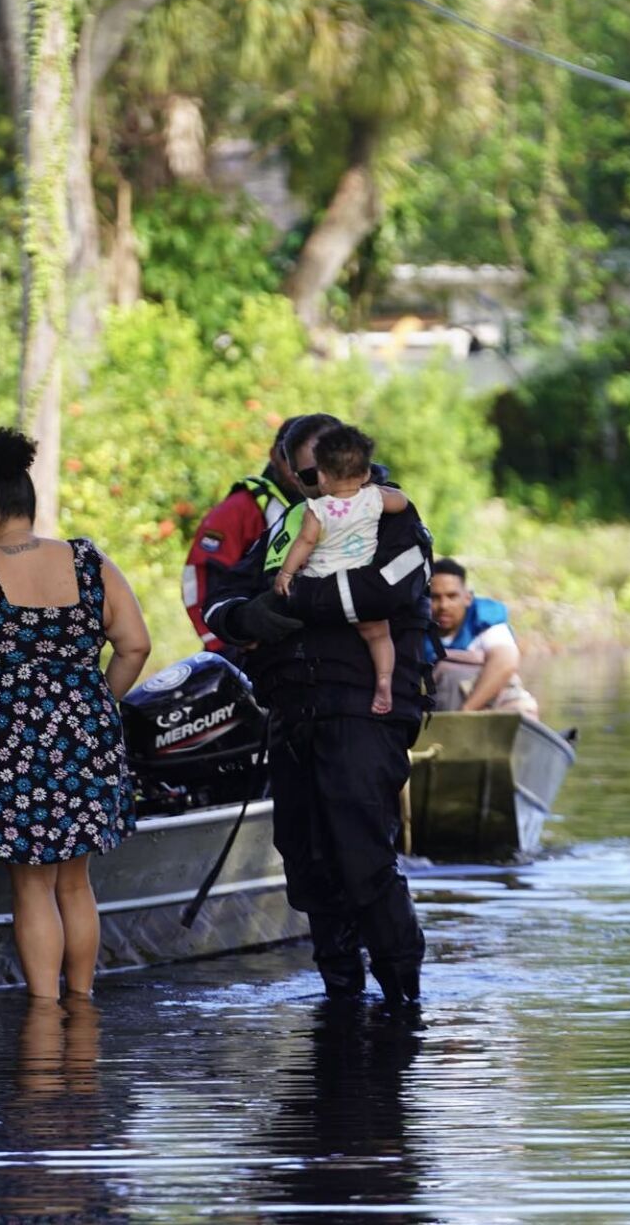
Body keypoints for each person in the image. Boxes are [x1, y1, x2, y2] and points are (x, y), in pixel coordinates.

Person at [203, 416, 433, 1005]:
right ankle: (341, 991)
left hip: (364, 707)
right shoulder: (288, 525)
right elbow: (222, 596)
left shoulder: (393, 516)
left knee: (361, 854)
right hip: (292, 711)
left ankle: (402, 996)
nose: (306, 482)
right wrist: (244, 617)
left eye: (314, 471)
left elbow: (390, 590)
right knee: (305, 861)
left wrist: (292, 600)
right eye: (295, 472)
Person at [0, 428, 151, 1000]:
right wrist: (94, 703)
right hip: (88, 738)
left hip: (8, 746)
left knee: (31, 888)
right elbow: (135, 646)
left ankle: (45, 1018)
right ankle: (81, 1003)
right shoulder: (87, 560)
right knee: (75, 883)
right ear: (29, 506)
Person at [273, 424, 410, 715]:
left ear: (321, 476)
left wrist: (285, 574)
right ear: (365, 474)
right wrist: (379, 491)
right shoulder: (373, 498)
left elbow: (304, 543)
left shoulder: (317, 509)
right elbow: (402, 503)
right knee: (378, 636)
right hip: (360, 592)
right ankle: (384, 682)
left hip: (320, 584)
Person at [182, 415, 332, 654]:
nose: (298, 466)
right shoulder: (240, 508)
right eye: (288, 454)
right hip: (253, 652)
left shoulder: (375, 504)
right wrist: (226, 641)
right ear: (273, 454)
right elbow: (201, 576)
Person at [428, 557, 539, 717]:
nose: (444, 606)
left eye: (452, 596)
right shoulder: (416, 628)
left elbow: (506, 663)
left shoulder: (485, 621)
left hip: (480, 706)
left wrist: (465, 713)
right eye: (435, 598)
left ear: (467, 598)